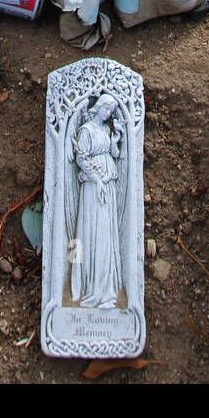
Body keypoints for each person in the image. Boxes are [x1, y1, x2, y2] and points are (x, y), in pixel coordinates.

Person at [69, 94, 123, 307]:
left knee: (106, 235)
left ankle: (107, 291)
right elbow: (81, 159)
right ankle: (92, 289)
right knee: (93, 233)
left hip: (107, 184)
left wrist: (117, 137)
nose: (108, 113)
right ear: (99, 107)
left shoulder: (106, 130)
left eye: (111, 110)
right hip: (93, 187)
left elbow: (115, 154)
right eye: (107, 109)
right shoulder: (86, 130)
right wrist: (98, 182)